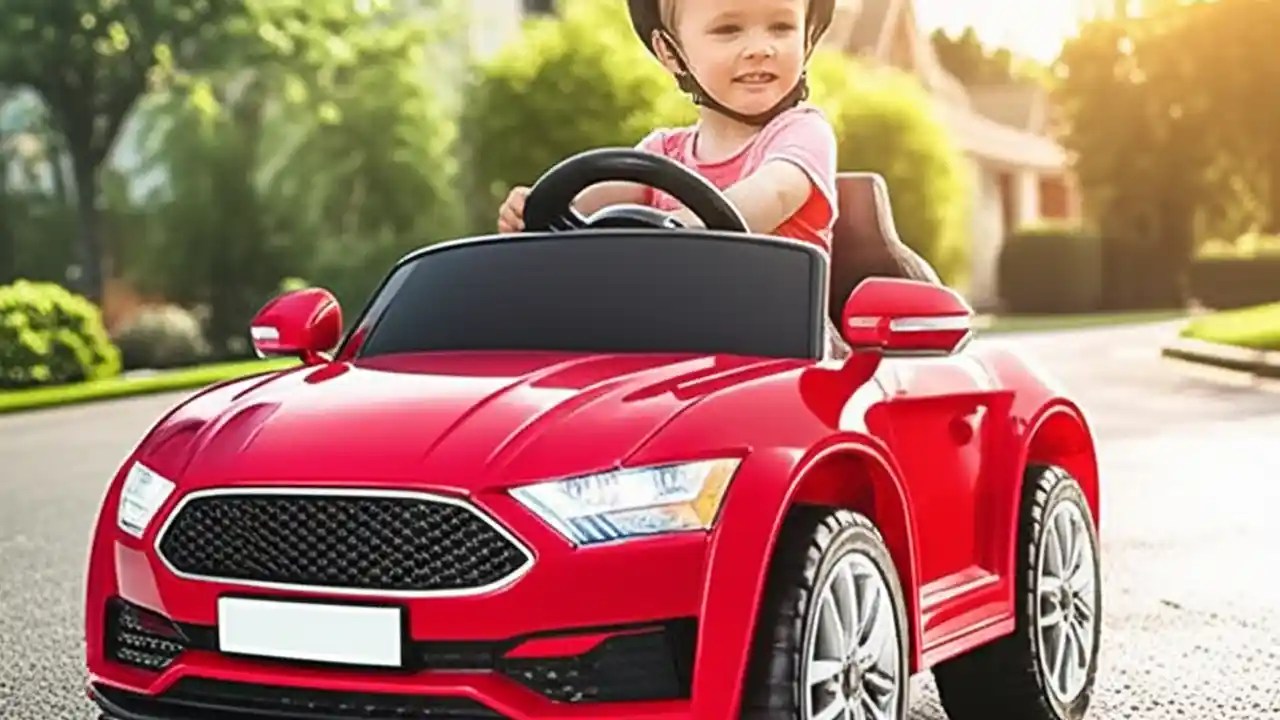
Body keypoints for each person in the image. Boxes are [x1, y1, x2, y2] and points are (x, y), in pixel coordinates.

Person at [497, 0, 839, 255]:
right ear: (671, 52)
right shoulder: (661, 156)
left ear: (807, 37)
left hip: (780, 334)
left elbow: (769, 198)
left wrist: (668, 230)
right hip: (666, 330)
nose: (760, 49)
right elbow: (584, 208)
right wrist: (537, 213)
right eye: (728, 30)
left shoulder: (802, 134)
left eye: (781, 27)